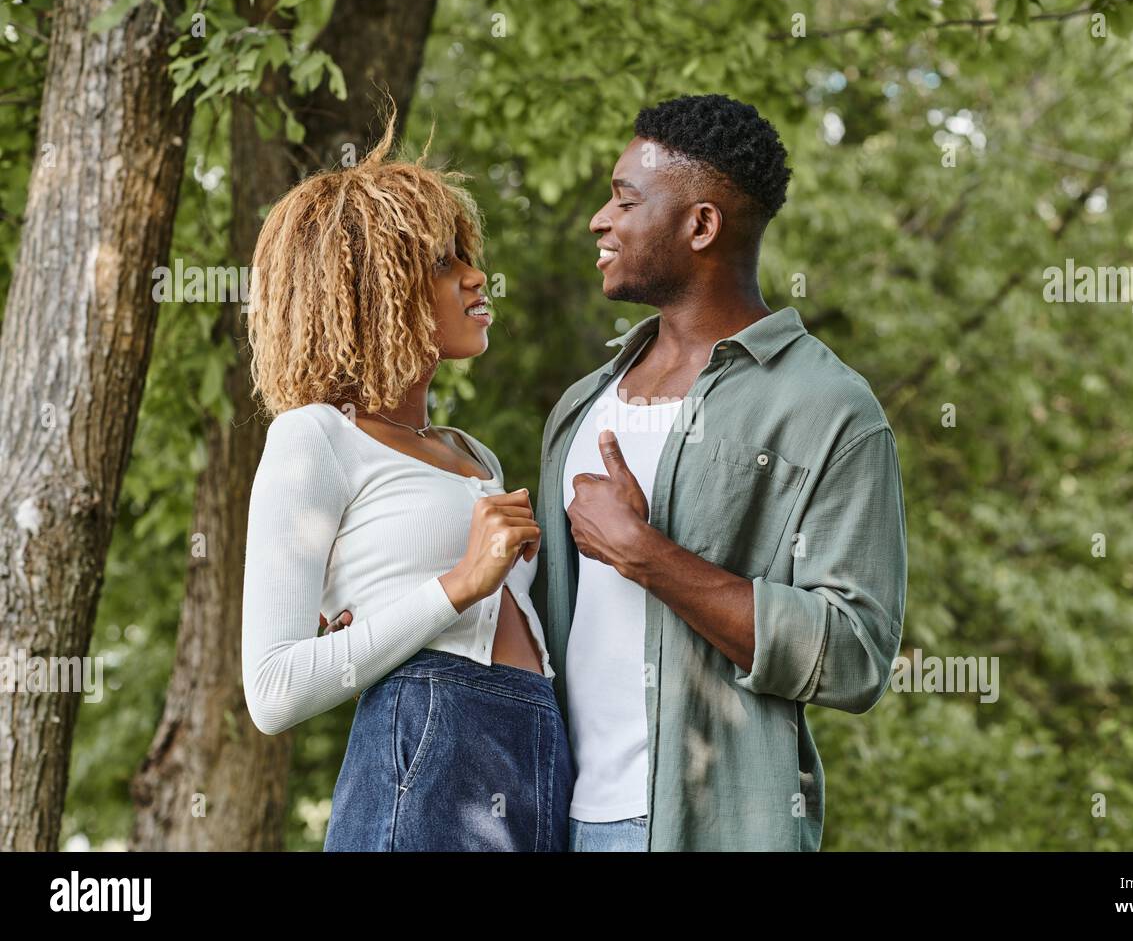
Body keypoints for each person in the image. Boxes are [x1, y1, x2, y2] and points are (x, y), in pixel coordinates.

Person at [539, 94, 908, 851]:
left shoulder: (830, 409)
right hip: (556, 819)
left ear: (701, 225)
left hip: (714, 831)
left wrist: (649, 556)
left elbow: (856, 652)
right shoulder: (580, 406)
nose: (598, 221)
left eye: (623, 200)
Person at [239, 114, 572, 851]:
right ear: (369, 290)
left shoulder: (470, 451)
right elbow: (274, 689)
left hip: (537, 747)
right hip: (426, 758)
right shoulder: (315, 436)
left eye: (467, 257)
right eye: (442, 264)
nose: (475, 276)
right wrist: (458, 584)